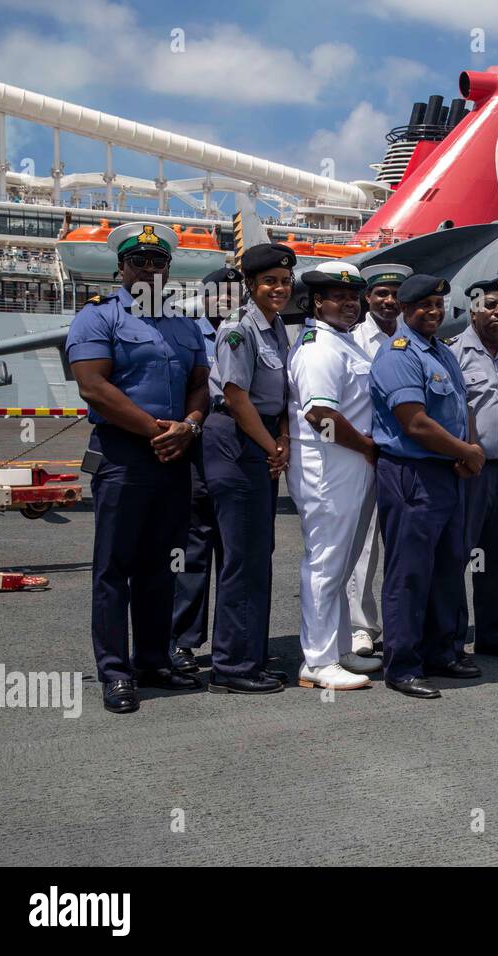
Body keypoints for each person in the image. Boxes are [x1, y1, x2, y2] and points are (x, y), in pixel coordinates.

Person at [66, 222, 208, 713]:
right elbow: (93, 387)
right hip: (125, 455)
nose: (149, 270)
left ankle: (153, 660)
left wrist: (188, 425)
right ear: (121, 268)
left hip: (173, 455)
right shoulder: (98, 318)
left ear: (168, 268)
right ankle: (116, 671)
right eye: (139, 262)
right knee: (114, 568)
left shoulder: (185, 324)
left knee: (162, 564)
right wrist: (156, 430)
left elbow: (200, 386)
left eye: (158, 262)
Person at [369, 274, 484, 699]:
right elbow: (415, 423)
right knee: (410, 573)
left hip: (447, 472)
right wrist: (467, 452)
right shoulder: (398, 354)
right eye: (423, 305)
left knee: (447, 568)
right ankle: (403, 665)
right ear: (404, 308)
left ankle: (441, 652)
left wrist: (469, 448)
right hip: (411, 473)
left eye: (438, 304)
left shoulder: (441, 352)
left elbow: (460, 403)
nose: (433, 312)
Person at [204, 242, 296, 695]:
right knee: (240, 558)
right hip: (236, 442)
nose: (279, 289)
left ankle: (252, 656)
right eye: (270, 282)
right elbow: (237, 396)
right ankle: (233, 667)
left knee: (259, 555)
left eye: (284, 281)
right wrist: (271, 446)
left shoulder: (276, 328)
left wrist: (282, 438)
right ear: (251, 285)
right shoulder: (238, 330)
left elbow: (280, 394)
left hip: (260, 442)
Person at [287, 261, 384, 691]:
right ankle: (318, 660)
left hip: (350, 468)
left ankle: (341, 648)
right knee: (326, 565)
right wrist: (365, 446)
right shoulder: (319, 347)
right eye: (337, 297)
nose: (347, 303)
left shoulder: (345, 343)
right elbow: (319, 415)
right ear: (317, 301)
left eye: (352, 296)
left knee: (342, 565)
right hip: (328, 470)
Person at [448, 275, 498, 661]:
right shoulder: (454, 353)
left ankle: (494, 633)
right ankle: (452, 637)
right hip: (470, 470)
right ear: (473, 309)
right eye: (489, 305)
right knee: (459, 552)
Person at [171, 265, 242, 674]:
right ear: (206, 296)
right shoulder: (186, 333)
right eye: (220, 294)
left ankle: (234, 641)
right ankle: (183, 640)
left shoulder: (254, 333)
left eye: (235, 294)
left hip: (238, 449)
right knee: (194, 547)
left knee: (238, 551)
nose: (228, 301)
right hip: (196, 449)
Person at [346, 262, 413, 658]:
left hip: (406, 455)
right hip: (365, 451)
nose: (389, 302)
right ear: (367, 298)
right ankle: (360, 625)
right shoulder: (353, 339)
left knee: (404, 543)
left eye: (395, 295)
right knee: (365, 542)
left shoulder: (415, 338)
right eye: (381, 294)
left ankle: (402, 622)